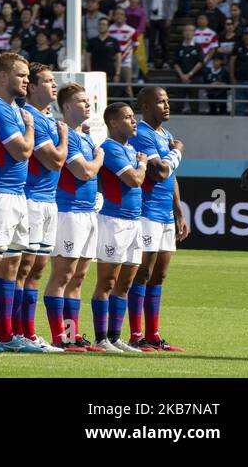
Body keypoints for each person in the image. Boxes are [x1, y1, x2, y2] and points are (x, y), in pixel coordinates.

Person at [0, 53, 47, 353]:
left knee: (14, 267)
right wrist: (30, 128)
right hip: (0, 194)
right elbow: (21, 151)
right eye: (21, 75)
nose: (26, 81)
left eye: (28, 76)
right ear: (3, 77)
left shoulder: (15, 109)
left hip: (18, 194)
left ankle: (9, 335)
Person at [42, 82, 104, 352]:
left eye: (88, 100)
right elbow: (84, 172)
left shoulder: (85, 135)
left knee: (78, 277)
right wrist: (100, 156)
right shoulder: (66, 134)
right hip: (68, 211)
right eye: (81, 101)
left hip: (87, 212)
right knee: (62, 275)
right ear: (66, 106)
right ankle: (60, 336)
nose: (87, 104)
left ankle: (72, 335)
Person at [127, 87, 187, 351]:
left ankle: (153, 335)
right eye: (161, 101)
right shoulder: (141, 134)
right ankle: (136, 335)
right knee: (142, 273)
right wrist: (178, 153)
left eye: (167, 100)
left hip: (165, 213)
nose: (167, 105)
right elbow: (159, 172)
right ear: (146, 106)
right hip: (147, 211)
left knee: (159, 276)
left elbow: (171, 178)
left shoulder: (167, 135)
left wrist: (179, 211)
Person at [13, 63, 67, 350]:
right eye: (47, 81)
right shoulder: (30, 117)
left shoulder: (48, 118)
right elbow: (55, 160)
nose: (53, 85)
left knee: (36, 272)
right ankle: (17, 333)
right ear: (32, 87)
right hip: (32, 200)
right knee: (24, 270)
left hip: (49, 201)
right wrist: (66, 136)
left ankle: (29, 333)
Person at [90, 102, 148, 353]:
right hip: (113, 221)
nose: (133, 121)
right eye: (127, 117)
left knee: (125, 283)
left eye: (133, 117)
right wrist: (143, 164)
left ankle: (115, 337)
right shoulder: (110, 148)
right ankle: (101, 338)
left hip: (135, 221)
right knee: (107, 281)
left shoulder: (130, 149)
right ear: (113, 123)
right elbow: (134, 180)